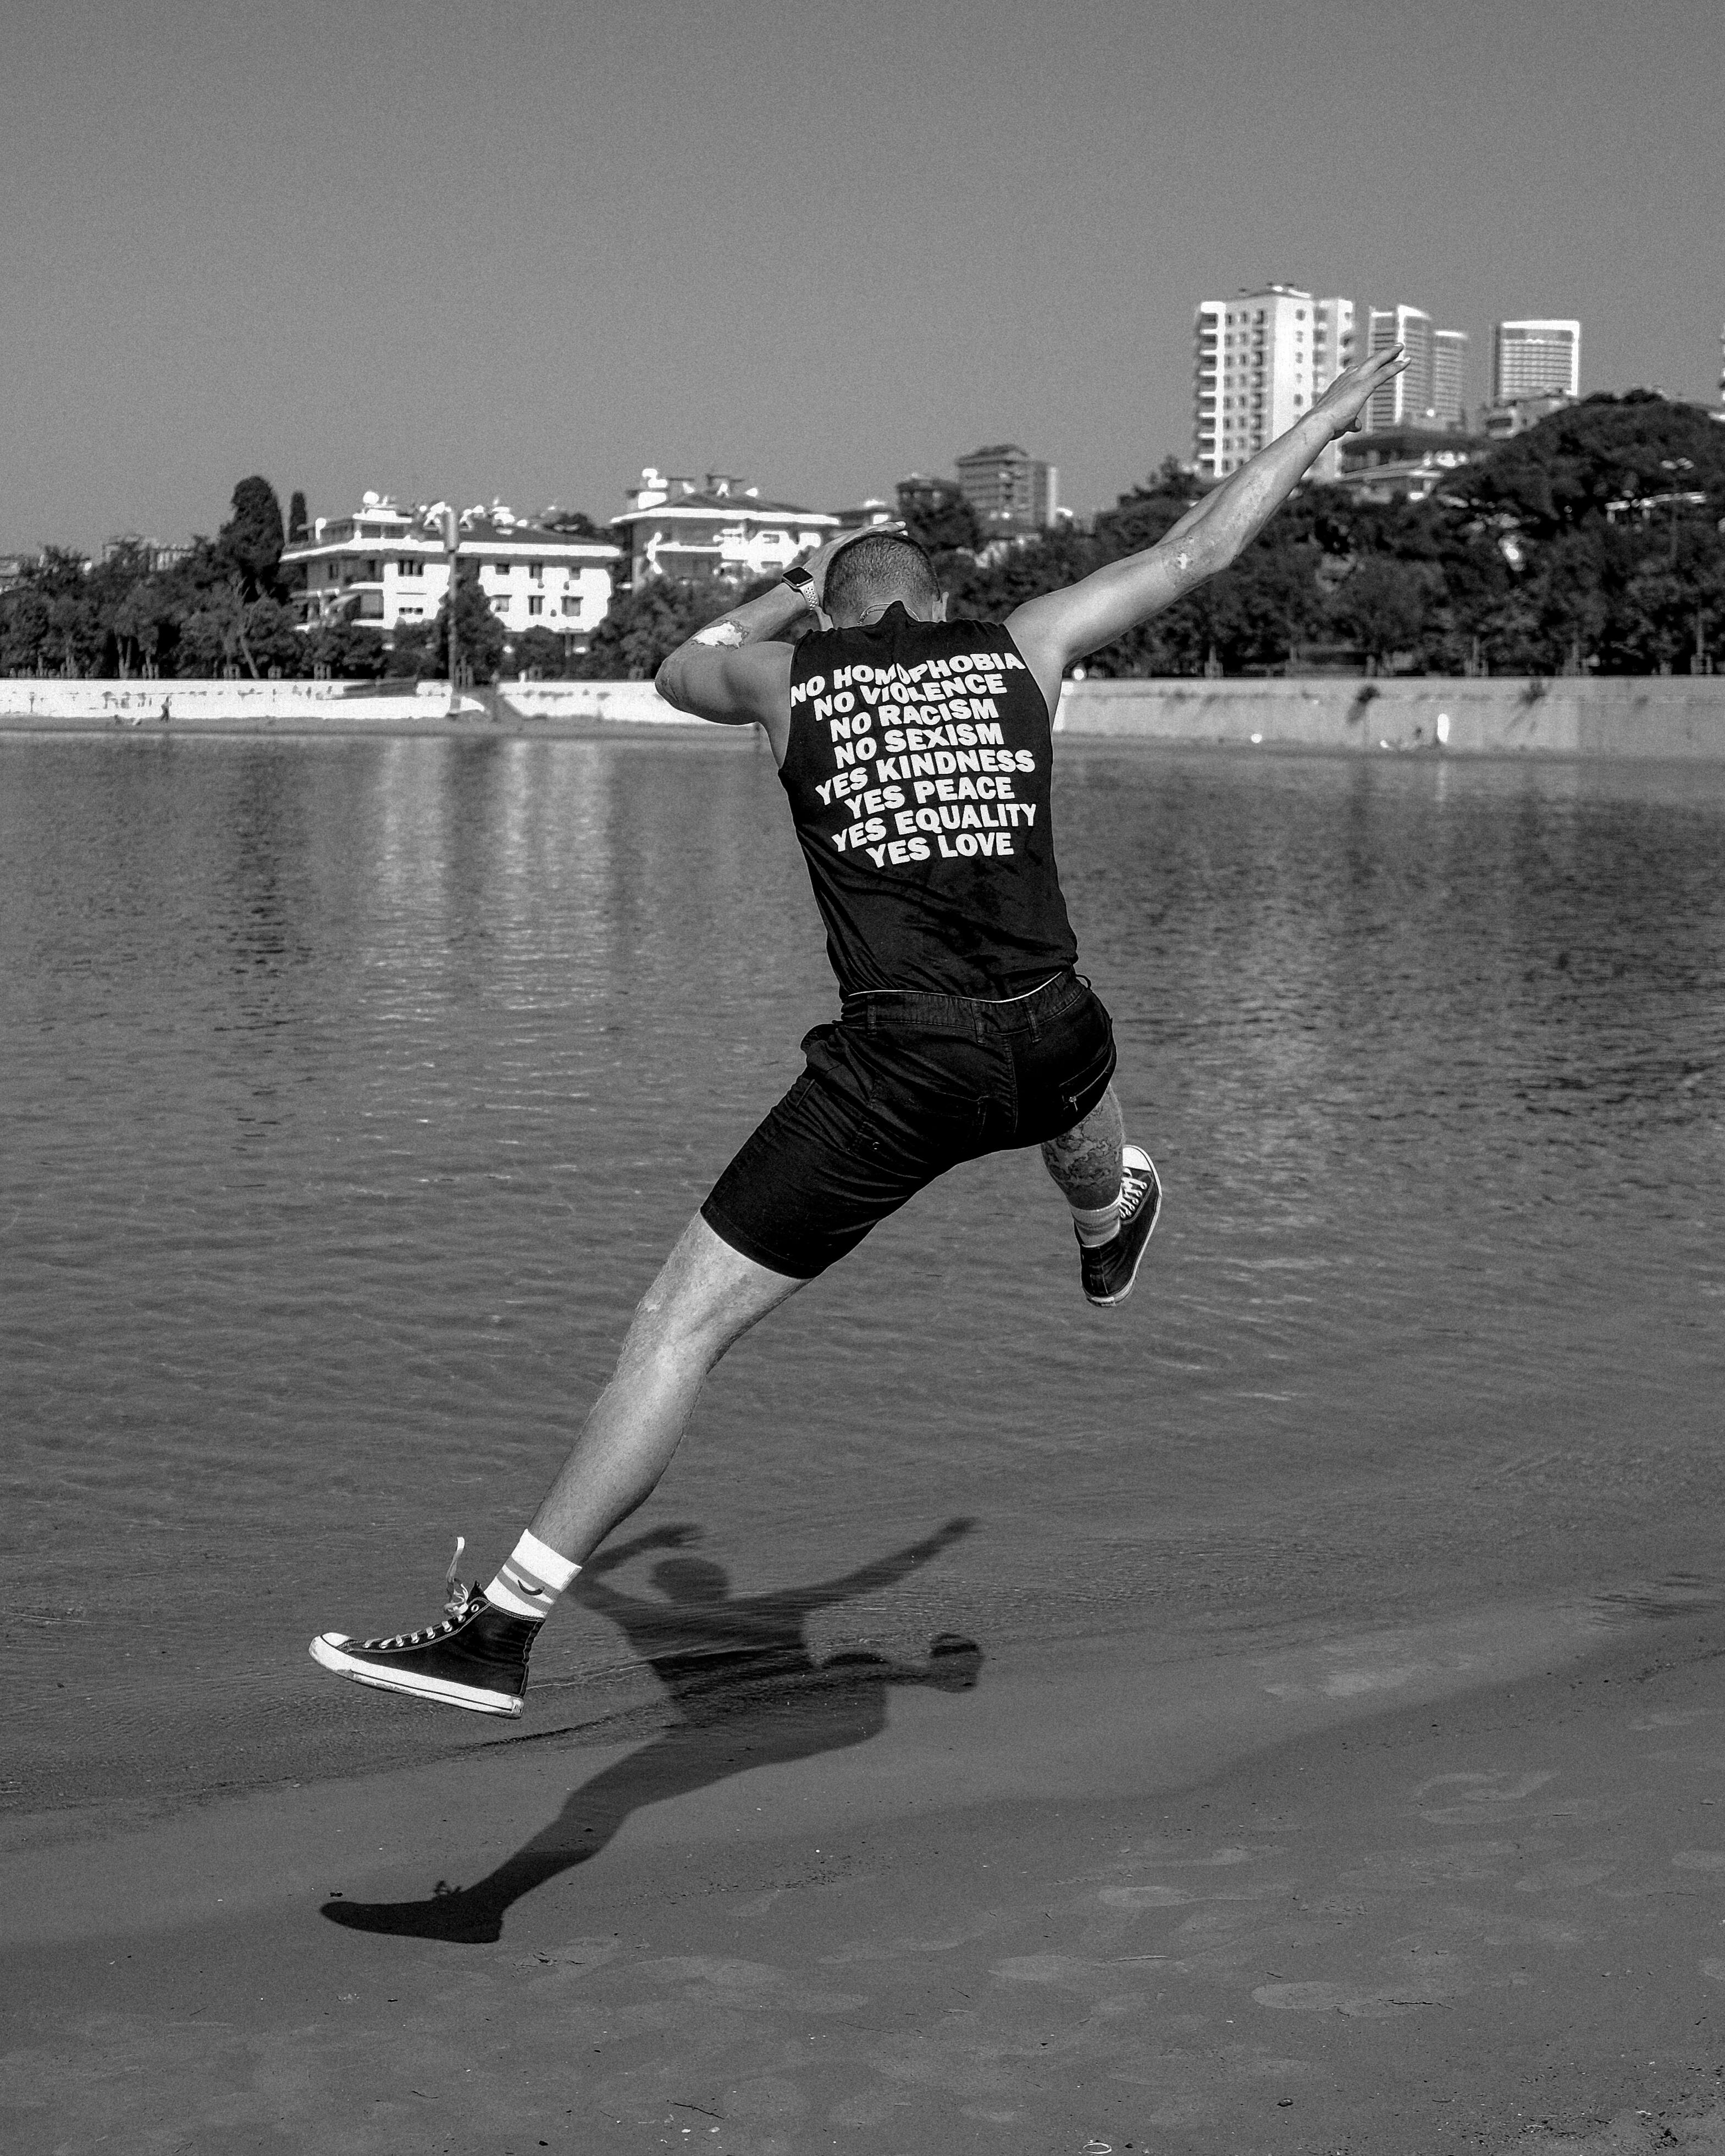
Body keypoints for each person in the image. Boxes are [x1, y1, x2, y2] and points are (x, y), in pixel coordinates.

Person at [311, 343, 1407, 1719]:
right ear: (945, 603)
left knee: (675, 1334)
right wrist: (1321, 421)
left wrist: (784, 590)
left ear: (828, 614)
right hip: (1056, 1032)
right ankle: (1106, 1211)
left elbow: (677, 669)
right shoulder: (1023, 644)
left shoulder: (788, 681)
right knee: (1068, 1062)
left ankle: (502, 1630)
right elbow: (1198, 550)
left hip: (904, 1069)